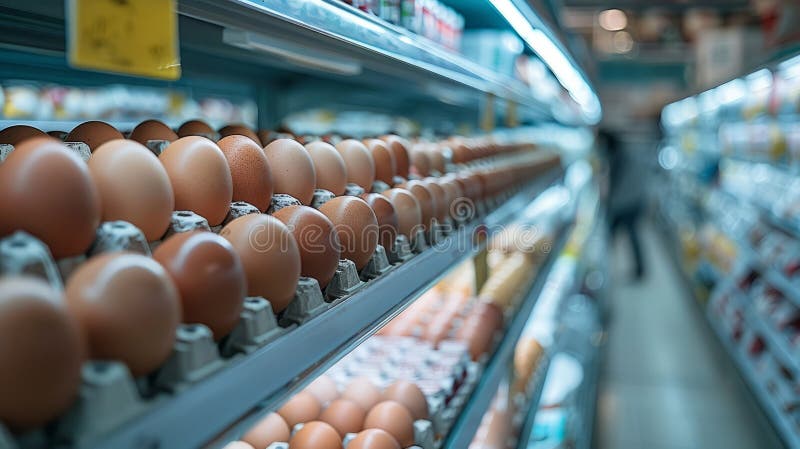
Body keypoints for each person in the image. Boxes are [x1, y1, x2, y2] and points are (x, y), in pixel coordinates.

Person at [599, 129, 645, 280]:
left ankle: (602, 268)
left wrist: (606, 199)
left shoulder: (617, 157)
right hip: (634, 201)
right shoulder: (626, 153)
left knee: (610, 236)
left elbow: (613, 183)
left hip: (623, 204)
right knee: (632, 237)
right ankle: (640, 269)